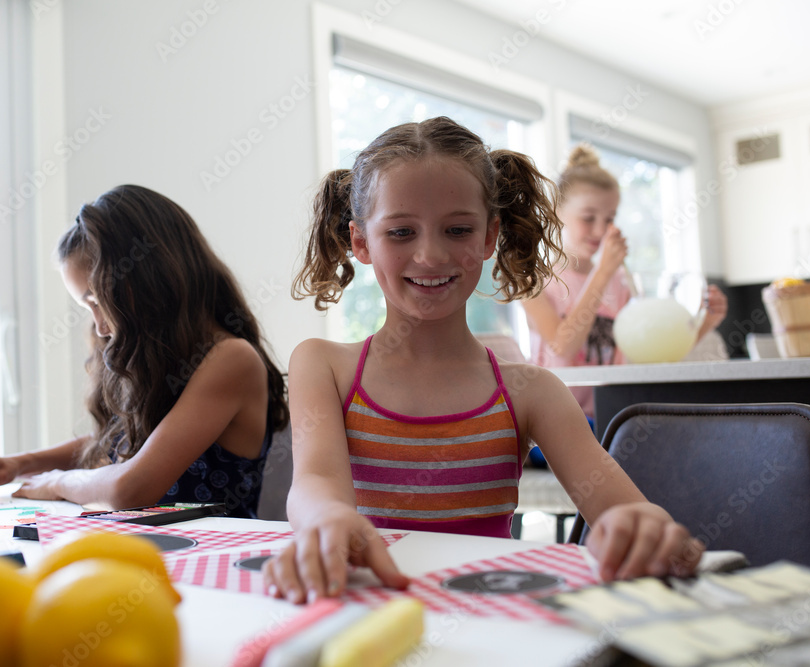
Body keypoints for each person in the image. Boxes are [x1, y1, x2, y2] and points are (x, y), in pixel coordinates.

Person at [262, 117, 703, 603]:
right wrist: (327, 517)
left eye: (457, 229)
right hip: (367, 608)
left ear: (490, 236)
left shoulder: (532, 390)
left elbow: (625, 508)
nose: (430, 255)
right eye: (401, 232)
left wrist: (640, 525)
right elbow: (315, 482)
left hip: (491, 610)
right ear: (361, 242)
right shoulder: (321, 365)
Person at [0, 185, 289, 518]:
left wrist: (58, 482)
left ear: (148, 280)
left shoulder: (232, 359)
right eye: (88, 308)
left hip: (214, 558)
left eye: (98, 301)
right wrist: (20, 463)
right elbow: (121, 441)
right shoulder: (156, 355)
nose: (99, 327)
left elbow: (128, 488)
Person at [523, 144, 727, 418]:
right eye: (588, 217)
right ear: (556, 211)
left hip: (611, 413)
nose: (600, 229)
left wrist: (707, 323)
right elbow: (563, 346)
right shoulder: (533, 281)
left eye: (610, 218)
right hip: (551, 420)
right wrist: (604, 272)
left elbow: (654, 353)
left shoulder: (619, 282)